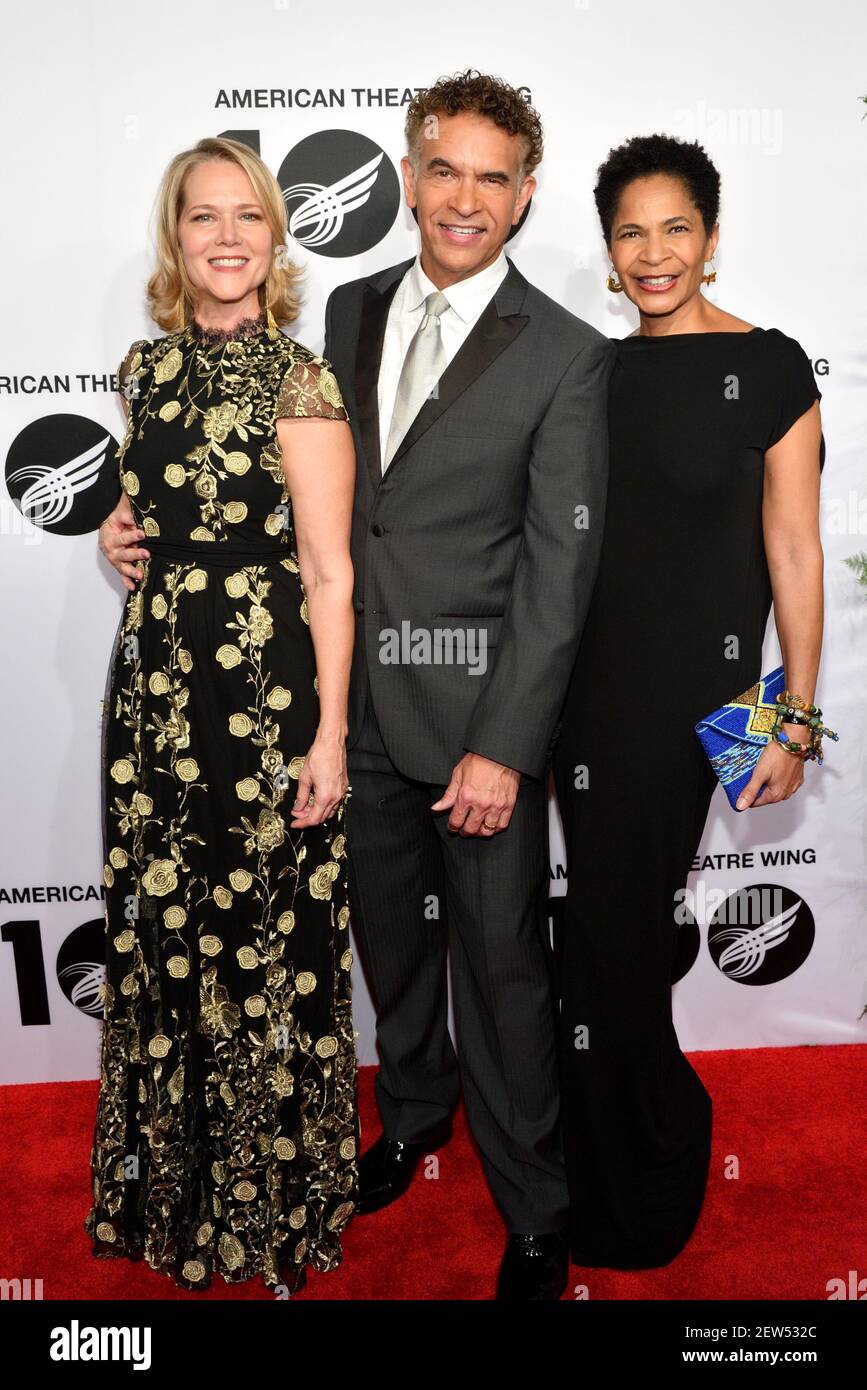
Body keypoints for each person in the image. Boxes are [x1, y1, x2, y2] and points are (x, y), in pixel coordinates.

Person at [323, 69, 614, 1300]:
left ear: (526, 196)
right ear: (408, 173)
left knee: (500, 972)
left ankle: (536, 1204)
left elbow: (561, 569)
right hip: (360, 710)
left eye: (494, 178)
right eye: (445, 169)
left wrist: (505, 744)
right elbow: (324, 501)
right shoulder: (346, 307)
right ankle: (411, 1118)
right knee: (392, 942)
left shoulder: (566, 354)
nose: (465, 198)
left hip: (478, 721)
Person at [86, 136, 358, 1295]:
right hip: (154, 692)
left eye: (248, 216)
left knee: (263, 943)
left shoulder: (303, 379)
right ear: (176, 236)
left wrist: (332, 735)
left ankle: (268, 1202)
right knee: (163, 939)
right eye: (205, 217)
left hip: (265, 698)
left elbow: (333, 573)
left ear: (276, 236)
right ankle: (171, 1195)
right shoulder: (142, 369)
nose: (228, 237)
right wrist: (118, 529)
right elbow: (151, 513)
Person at [552, 133, 827, 1269]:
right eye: (630, 231)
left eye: (676, 228)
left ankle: (650, 1155)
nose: (653, 252)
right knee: (606, 949)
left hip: (706, 703)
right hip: (585, 703)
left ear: (710, 240)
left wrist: (793, 721)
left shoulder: (770, 366)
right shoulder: (591, 372)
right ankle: (626, 1143)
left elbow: (796, 557)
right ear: (608, 251)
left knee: (616, 942)